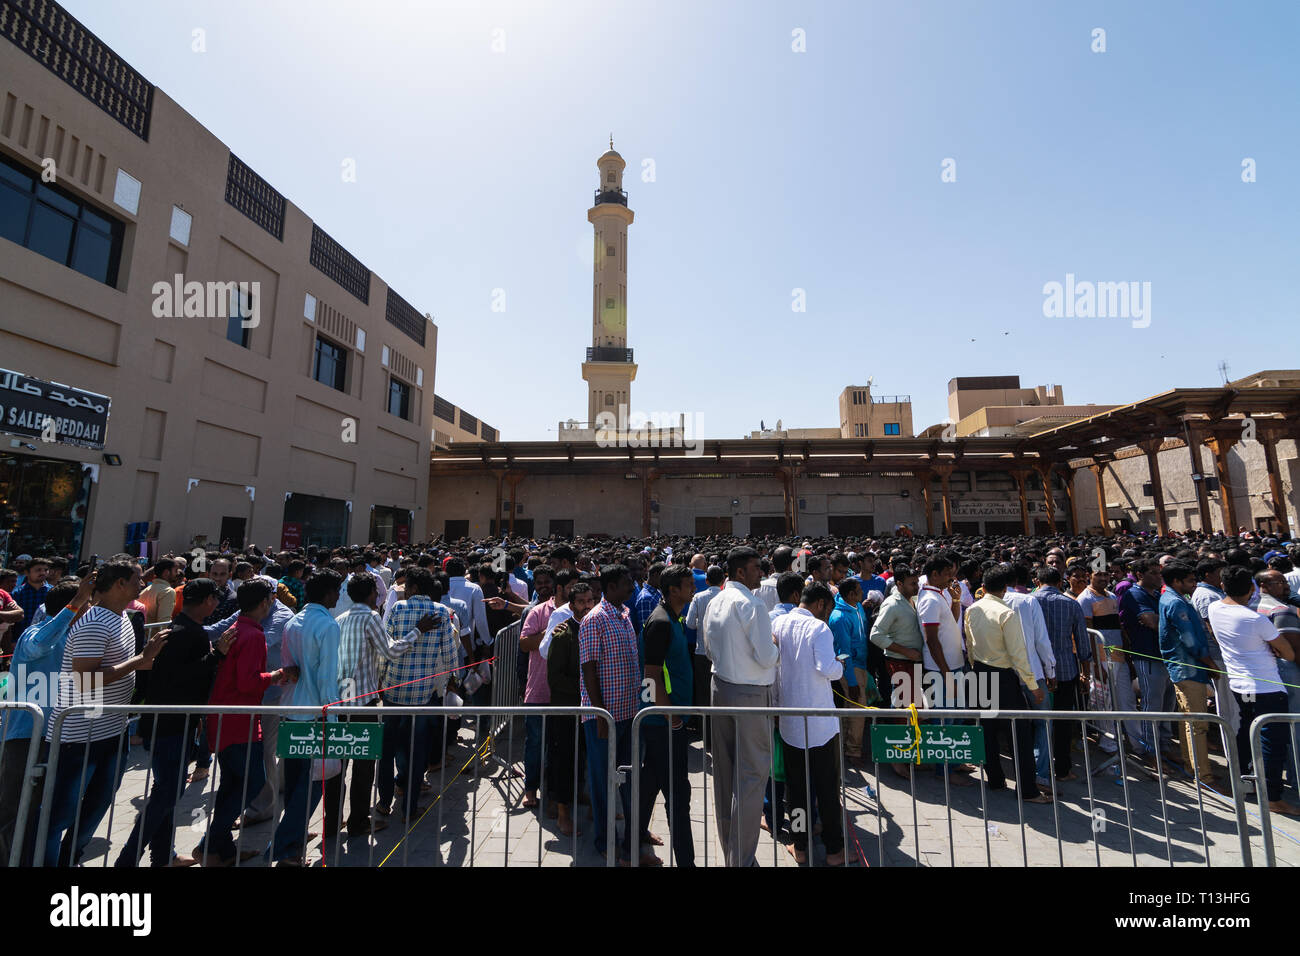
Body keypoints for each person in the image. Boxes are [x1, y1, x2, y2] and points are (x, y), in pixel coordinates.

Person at [43, 557, 168, 866]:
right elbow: (85, 678)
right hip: (78, 736)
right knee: (60, 813)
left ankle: (68, 858)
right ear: (120, 583)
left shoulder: (122, 617)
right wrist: (140, 661)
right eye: (139, 578)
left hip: (111, 730)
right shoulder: (96, 621)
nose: (144, 584)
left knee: (98, 802)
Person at [117, 577, 235, 867]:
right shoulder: (186, 633)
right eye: (214, 599)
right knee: (165, 794)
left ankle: (161, 857)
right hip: (170, 725)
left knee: (168, 795)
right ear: (207, 600)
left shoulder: (180, 629)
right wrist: (217, 654)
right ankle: (128, 859)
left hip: (171, 723)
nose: (217, 604)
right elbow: (181, 678)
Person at [0, 573, 94, 867]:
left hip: (62, 736)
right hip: (26, 736)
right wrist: (76, 602)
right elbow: (40, 645)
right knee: (13, 809)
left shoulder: (78, 639)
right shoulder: (34, 634)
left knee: (47, 811)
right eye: (87, 605)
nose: (91, 611)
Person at [195, 579, 286, 866]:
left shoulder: (239, 627)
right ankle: (209, 841)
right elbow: (248, 683)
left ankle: (222, 852)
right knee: (252, 781)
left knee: (232, 783)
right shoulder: (252, 634)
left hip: (226, 716)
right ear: (264, 602)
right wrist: (276, 675)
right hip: (239, 719)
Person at [701, 546, 778, 867]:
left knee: (725, 774)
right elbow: (766, 656)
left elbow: (707, 650)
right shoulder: (752, 604)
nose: (761, 572)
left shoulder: (714, 601)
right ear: (740, 572)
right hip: (749, 694)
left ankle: (732, 850)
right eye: (756, 567)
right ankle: (741, 859)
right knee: (751, 778)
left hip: (721, 689)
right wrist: (774, 645)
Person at [336, 572, 428, 837]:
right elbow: (390, 650)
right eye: (377, 593)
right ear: (370, 595)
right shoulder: (371, 617)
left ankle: (332, 822)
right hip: (362, 701)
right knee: (364, 765)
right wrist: (417, 631)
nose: (379, 597)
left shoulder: (340, 619)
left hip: (339, 699)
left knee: (338, 766)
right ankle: (358, 822)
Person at [1208, 566, 1298, 816]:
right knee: (1273, 742)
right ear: (1251, 589)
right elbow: (1289, 653)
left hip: (1240, 685)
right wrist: (1273, 648)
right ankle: (1272, 797)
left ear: (1223, 586)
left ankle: (1241, 781)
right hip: (1266, 687)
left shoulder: (1215, 609)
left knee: (1245, 732)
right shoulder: (1255, 618)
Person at [273, 569, 344, 865]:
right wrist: (334, 715)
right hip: (316, 713)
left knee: (296, 781)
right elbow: (329, 676)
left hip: (291, 708)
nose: (340, 596)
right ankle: (286, 846)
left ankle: (294, 842)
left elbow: (289, 667)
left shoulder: (293, 621)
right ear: (328, 594)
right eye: (337, 591)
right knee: (313, 783)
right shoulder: (327, 626)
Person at [963, 565, 1050, 803]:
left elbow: (969, 644)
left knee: (987, 731)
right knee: (1019, 733)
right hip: (1003, 676)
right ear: (1005, 589)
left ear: (983, 587)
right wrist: (1033, 685)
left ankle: (996, 780)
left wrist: (975, 667)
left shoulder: (972, 609)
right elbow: (1018, 653)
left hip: (980, 672)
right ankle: (1028, 790)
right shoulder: (1006, 613)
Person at [376, 568, 457, 823]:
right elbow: (449, 655)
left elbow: (384, 648)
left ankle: (384, 802)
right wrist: (450, 680)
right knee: (416, 751)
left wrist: (380, 677)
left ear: (410, 587)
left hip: (393, 689)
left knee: (387, 748)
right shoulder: (442, 612)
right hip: (423, 694)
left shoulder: (398, 609)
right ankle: (409, 808)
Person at [578, 564, 644, 864]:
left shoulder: (625, 615)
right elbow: (589, 669)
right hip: (604, 718)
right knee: (604, 781)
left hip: (628, 712)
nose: (632, 587)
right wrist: (600, 713)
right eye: (627, 583)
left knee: (628, 776)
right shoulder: (595, 620)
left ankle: (633, 834)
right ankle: (605, 840)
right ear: (612, 586)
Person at [636, 564, 696, 866]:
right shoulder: (660, 622)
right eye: (688, 584)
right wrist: (669, 714)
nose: (693, 588)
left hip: (667, 718)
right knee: (678, 793)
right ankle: (686, 860)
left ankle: (631, 841)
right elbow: (650, 675)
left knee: (650, 783)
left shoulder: (675, 617)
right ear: (672, 590)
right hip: (663, 722)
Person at [1157, 561, 1215, 782]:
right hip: (1187, 668)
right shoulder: (1176, 603)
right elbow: (1189, 639)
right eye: (1190, 580)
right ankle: (1203, 775)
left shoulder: (1174, 598)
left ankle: (1192, 765)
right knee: (1197, 723)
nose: (1194, 584)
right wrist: (1210, 663)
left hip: (1186, 667)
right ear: (1176, 581)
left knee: (1187, 719)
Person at [1032, 566, 1091, 781]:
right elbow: (1083, 644)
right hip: (1066, 670)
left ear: (1037, 581)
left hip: (1036, 672)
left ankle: (1039, 768)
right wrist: (1086, 673)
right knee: (1063, 722)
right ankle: (1063, 769)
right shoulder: (1071, 604)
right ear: (1060, 583)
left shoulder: (1028, 602)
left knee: (1037, 722)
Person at [546, 582, 595, 837]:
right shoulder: (563, 635)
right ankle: (563, 812)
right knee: (564, 758)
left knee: (586, 754)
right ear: (572, 605)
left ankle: (586, 798)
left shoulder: (596, 629)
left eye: (590, 601)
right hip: (568, 707)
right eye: (581, 602)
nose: (587, 606)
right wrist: (585, 690)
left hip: (590, 707)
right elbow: (554, 678)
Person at [1119, 558, 1170, 760]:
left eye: (1159, 573)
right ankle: (1151, 750)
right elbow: (1150, 621)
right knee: (1152, 704)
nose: (1159, 577)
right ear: (1140, 575)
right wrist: (1166, 622)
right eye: (1154, 573)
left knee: (1167, 704)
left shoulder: (1157, 594)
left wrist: (1163, 621)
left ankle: (1164, 746)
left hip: (1166, 655)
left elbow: (1161, 621)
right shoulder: (1134, 594)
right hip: (1147, 655)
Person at [517, 565, 557, 810]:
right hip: (536, 685)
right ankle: (530, 787)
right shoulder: (533, 612)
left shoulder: (566, 610)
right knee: (534, 741)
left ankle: (553, 790)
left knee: (555, 743)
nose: (542, 586)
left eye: (546, 582)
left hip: (561, 689)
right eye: (538, 582)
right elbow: (523, 647)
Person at [827, 577, 870, 760]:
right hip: (850, 668)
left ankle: (845, 747)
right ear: (851, 594)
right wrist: (851, 681)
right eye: (859, 590)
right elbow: (843, 652)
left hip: (860, 665)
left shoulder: (857, 606)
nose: (863, 592)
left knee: (850, 708)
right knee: (859, 709)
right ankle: (853, 751)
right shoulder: (840, 618)